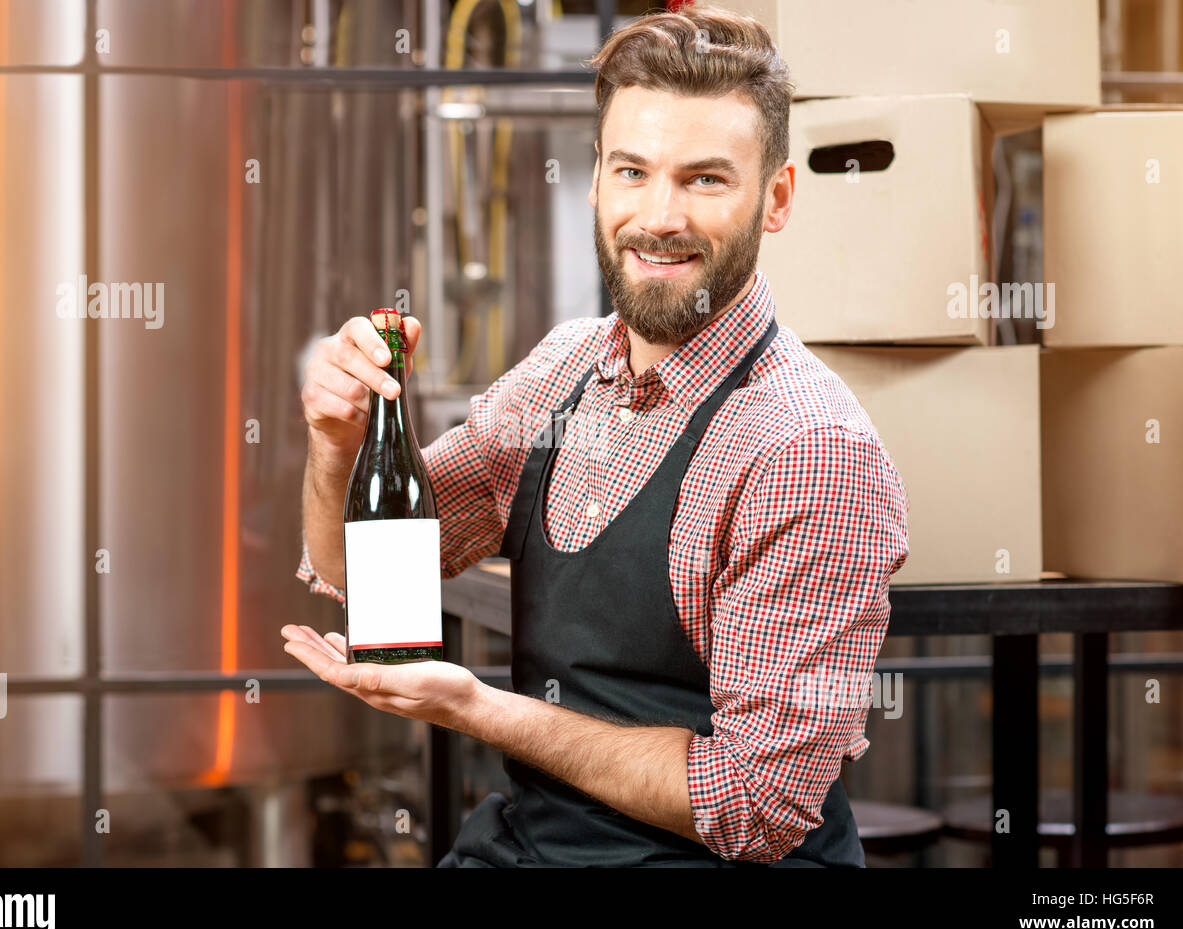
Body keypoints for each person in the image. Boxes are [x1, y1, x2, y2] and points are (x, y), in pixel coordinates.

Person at [282, 4, 909, 867]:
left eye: (705, 180)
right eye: (633, 170)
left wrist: (476, 707)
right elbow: (368, 571)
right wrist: (334, 438)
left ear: (777, 198)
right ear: (596, 182)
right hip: (537, 845)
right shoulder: (564, 370)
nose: (659, 215)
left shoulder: (807, 448)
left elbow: (756, 804)